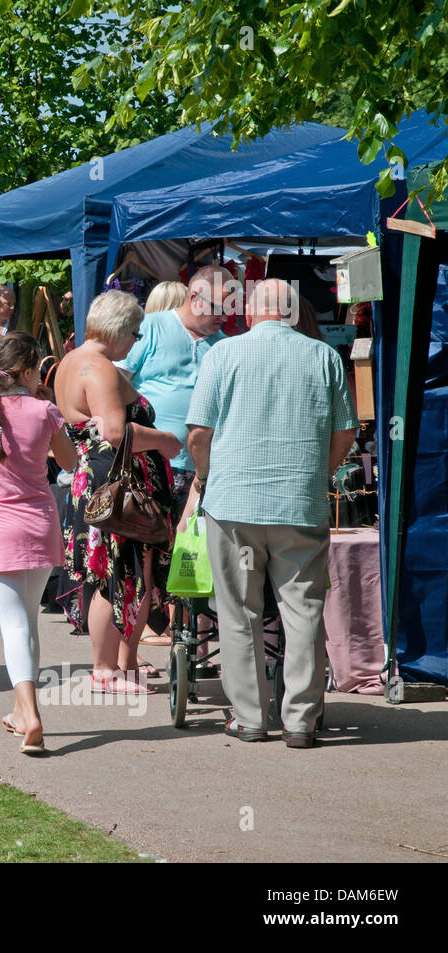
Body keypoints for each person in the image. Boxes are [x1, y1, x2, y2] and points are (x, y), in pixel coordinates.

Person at [187, 279, 358, 747]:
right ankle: (301, 719)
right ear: (292, 311)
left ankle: (249, 717)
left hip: (233, 504)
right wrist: (316, 472)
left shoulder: (223, 355)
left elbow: (198, 432)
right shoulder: (323, 356)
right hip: (298, 505)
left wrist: (205, 476)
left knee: (239, 611)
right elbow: (347, 431)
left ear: (249, 311)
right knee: (303, 610)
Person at [55, 290, 182, 695]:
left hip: (99, 477)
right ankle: (106, 669)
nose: (137, 341)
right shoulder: (99, 367)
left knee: (126, 572)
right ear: (117, 329)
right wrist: (166, 440)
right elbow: (112, 432)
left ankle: (122, 663)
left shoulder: (71, 361)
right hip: (117, 481)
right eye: (135, 333)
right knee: (116, 572)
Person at [0, 333, 78, 754]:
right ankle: (20, 710)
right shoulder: (45, 410)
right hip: (40, 524)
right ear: (28, 372)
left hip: (0, 528)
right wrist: (46, 407)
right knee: (27, 623)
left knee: (14, 625)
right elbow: (70, 462)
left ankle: (30, 714)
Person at [117, 266, 231, 524]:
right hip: (150, 465)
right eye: (219, 308)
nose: (225, 317)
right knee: (153, 551)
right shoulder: (150, 327)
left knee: (190, 555)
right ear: (195, 299)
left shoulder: (224, 347)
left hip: (202, 473)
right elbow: (116, 382)